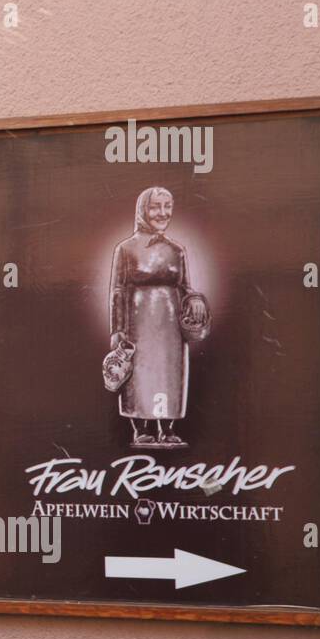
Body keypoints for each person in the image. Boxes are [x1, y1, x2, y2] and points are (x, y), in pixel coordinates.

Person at [108, 187, 208, 448]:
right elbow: (117, 291)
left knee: (170, 374)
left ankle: (168, 428)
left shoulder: (177, 250)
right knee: (138, 374)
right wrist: (117, 329)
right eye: (155, 207)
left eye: (167, 206)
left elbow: (186, 287)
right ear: (143, 210)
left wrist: (195, 299)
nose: (162, 213)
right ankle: (140, 428)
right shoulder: (125, 249)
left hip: (170, 327)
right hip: (137, 324)